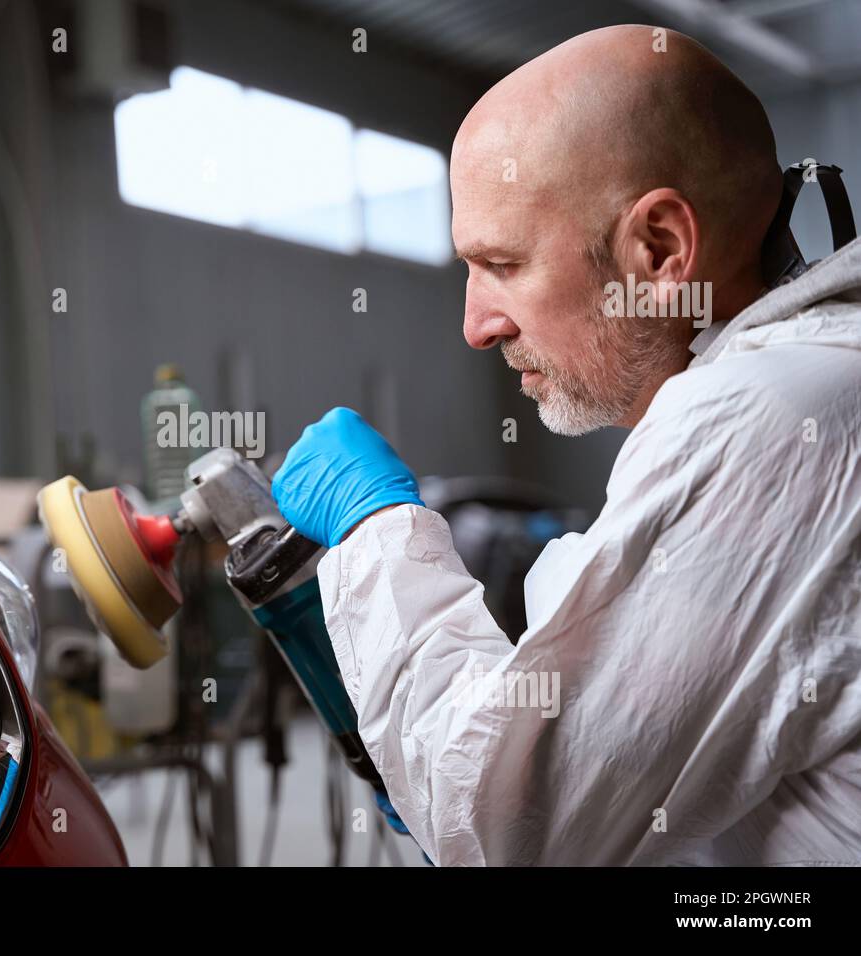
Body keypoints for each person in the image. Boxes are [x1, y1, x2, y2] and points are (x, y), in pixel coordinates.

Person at [271, 24, 861, 865]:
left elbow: (506, 836)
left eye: (503, 264)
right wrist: (468, 727)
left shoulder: (767, 420)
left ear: (660, 249)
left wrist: (377, 534)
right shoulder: (817, 377)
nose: (476, 327)